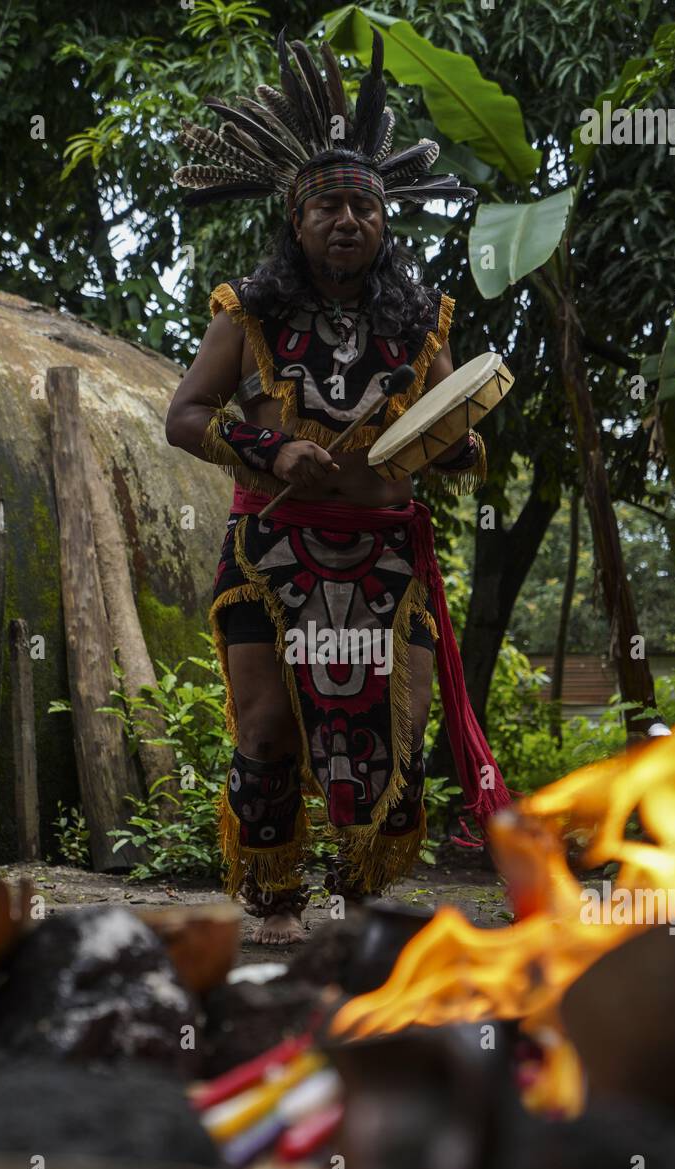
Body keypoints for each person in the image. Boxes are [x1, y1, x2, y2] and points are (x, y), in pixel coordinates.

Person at [165, 29, 510, 944]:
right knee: (269, 728)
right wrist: (269, 453)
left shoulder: (421, 324)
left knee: (384, 738)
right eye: (328, 208)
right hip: (268, 555)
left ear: (384, 219)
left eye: (363, 205)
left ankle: (362, 906)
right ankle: (274, 909)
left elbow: (452, 438)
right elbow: (185, 417)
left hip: (386, 558)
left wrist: (450, 450)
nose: (347, 220)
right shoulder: (247, 313)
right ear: (297, 220)